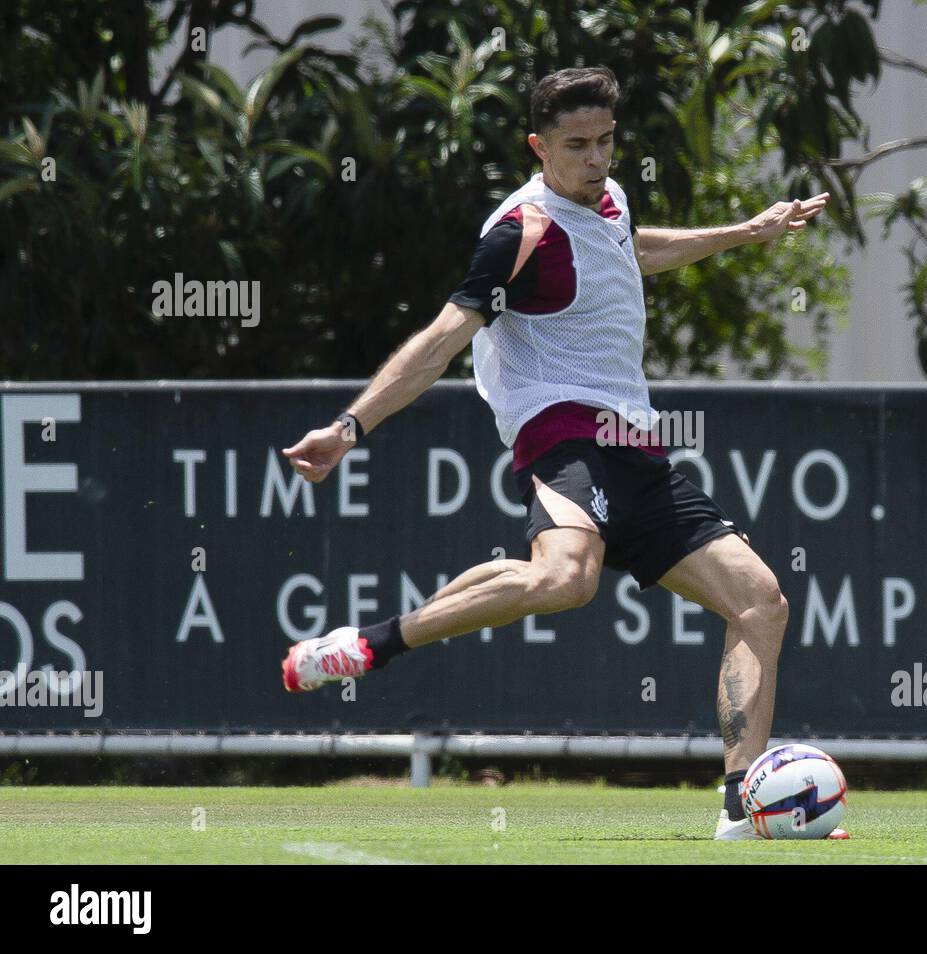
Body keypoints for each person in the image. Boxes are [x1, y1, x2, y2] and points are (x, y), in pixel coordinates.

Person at [279, 66, 843, 840]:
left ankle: (741, 808)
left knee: (761, 600)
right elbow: (443, 338)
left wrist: (746, 232)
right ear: (538, 147)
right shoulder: (521, 231)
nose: (596, 158)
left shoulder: (608, 201)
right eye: (576, 146)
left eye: (606, 141)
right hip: (561, 429)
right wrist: (349, 429)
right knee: (566, 579)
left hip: (631, 443)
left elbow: (630, 252)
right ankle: (371, 646)